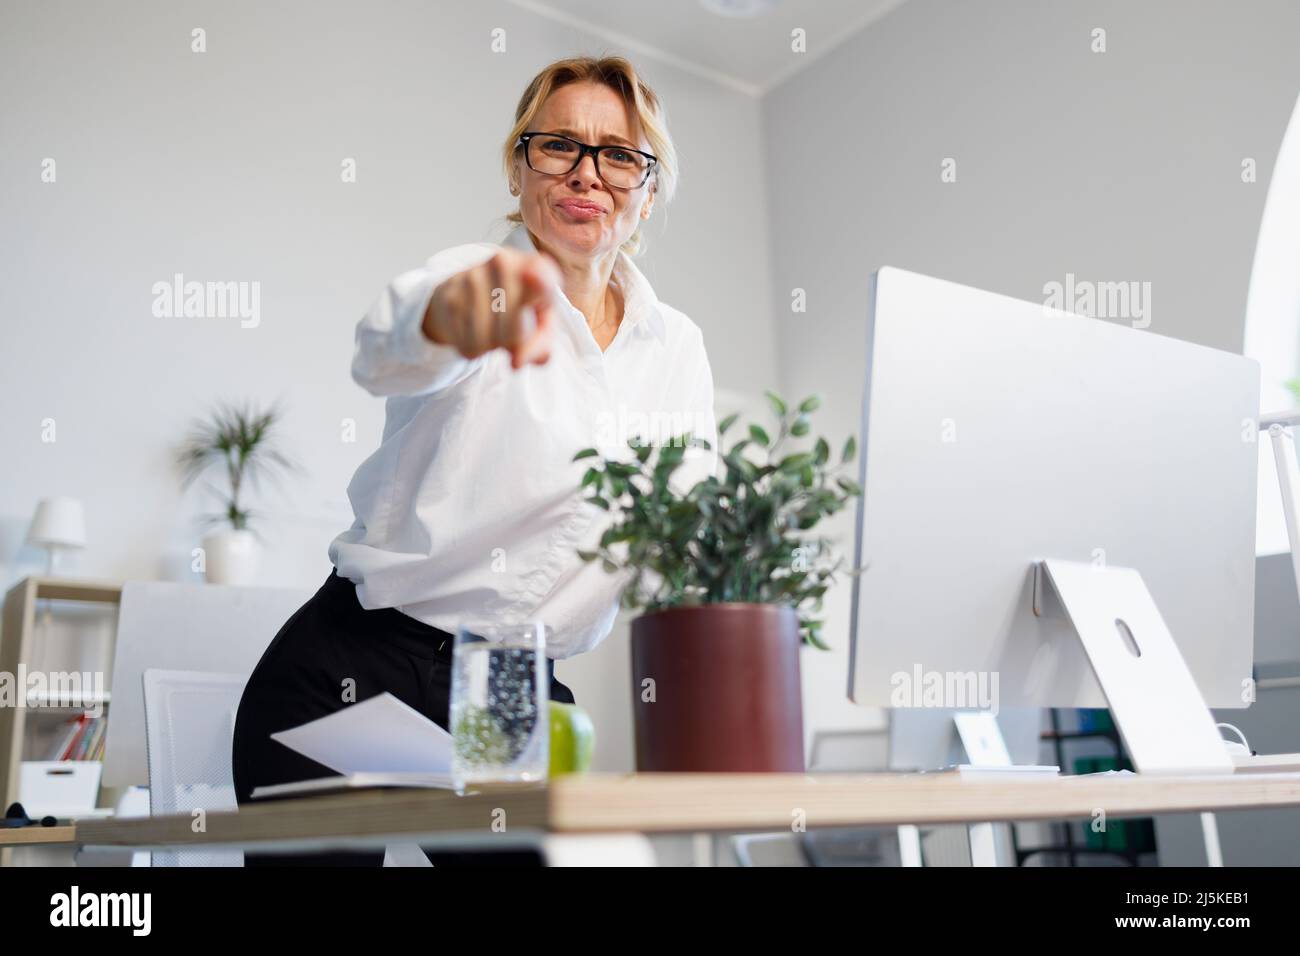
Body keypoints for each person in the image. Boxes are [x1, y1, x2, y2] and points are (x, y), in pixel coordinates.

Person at [230, 55, 718, 865]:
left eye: (618, 154)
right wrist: (444, 322)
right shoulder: (477, 279)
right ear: (520, 167)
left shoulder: (677, 348)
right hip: (353, 666)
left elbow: (688, 521)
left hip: (510, 692)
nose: (587, 174)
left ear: (648, 189)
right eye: (558, 145)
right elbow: (386, 351)